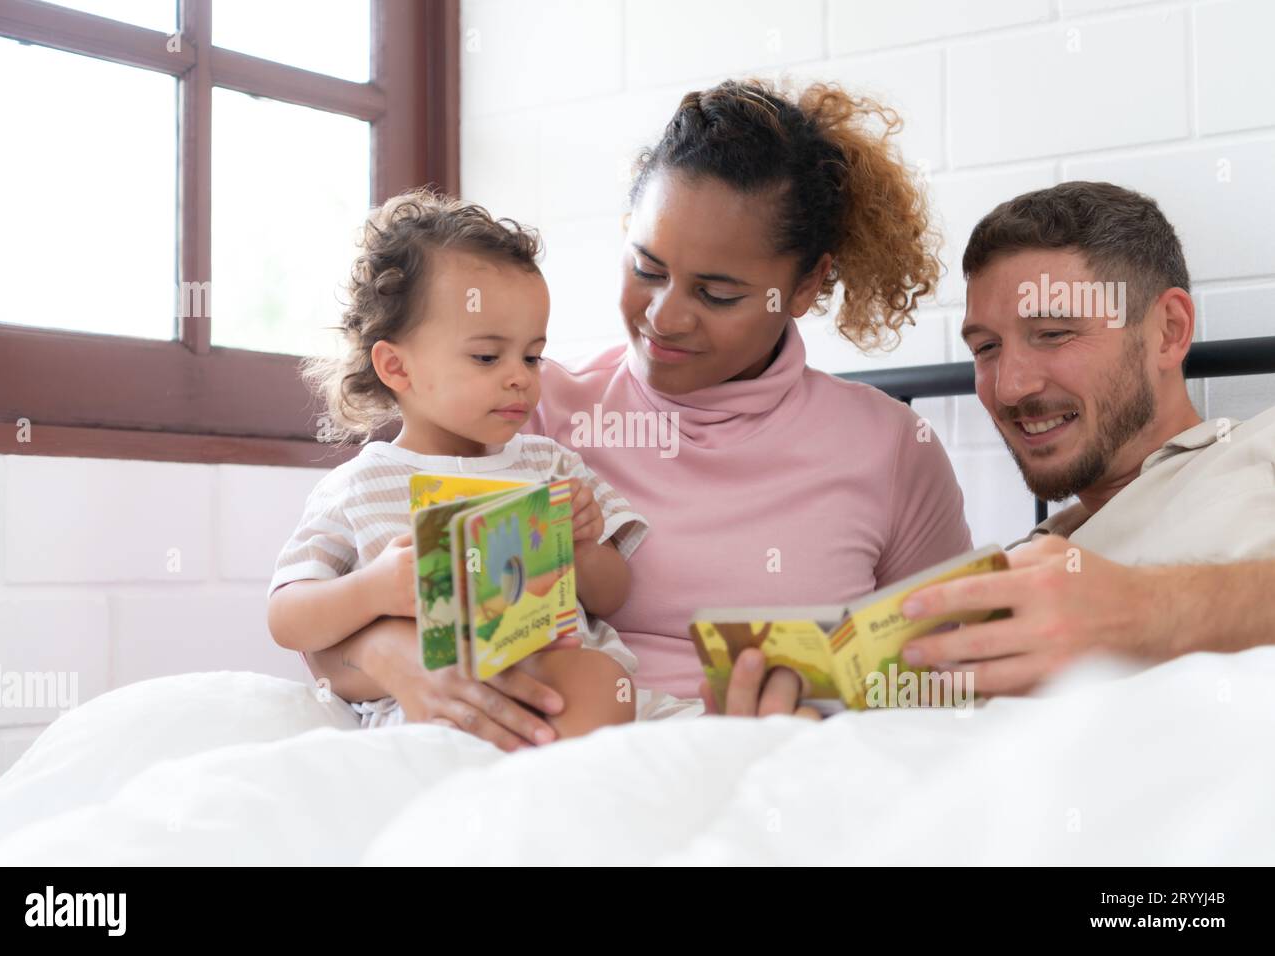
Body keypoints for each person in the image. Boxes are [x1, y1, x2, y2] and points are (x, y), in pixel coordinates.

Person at [305, 78, 974, 743]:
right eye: (648, 269)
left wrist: (826, 707)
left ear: (805, 286)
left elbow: (951, 674)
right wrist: (397, 659)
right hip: (548, 764)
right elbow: (327, 630)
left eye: (717, 293)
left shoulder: (890, 447)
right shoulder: (526, 414)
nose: (664, 317)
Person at [268, 190, 643, 743]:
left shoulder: (551, 465)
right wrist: (373, 589)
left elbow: (614, 595)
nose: (520, 377)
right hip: (427, 698)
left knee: (602, 679)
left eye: (532, 356)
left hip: (551, 682)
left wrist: (582, 546)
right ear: (397, 366)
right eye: (488, 357)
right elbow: (288, 618)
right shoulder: (359, 486)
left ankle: (528, 792)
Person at [901, 181, 1275, 692]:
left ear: (1168, 330)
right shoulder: (1021, 565)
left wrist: (1145, 609)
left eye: (1054, 333)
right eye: (986, 347)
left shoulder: (1260, 450)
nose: (1010, 387)